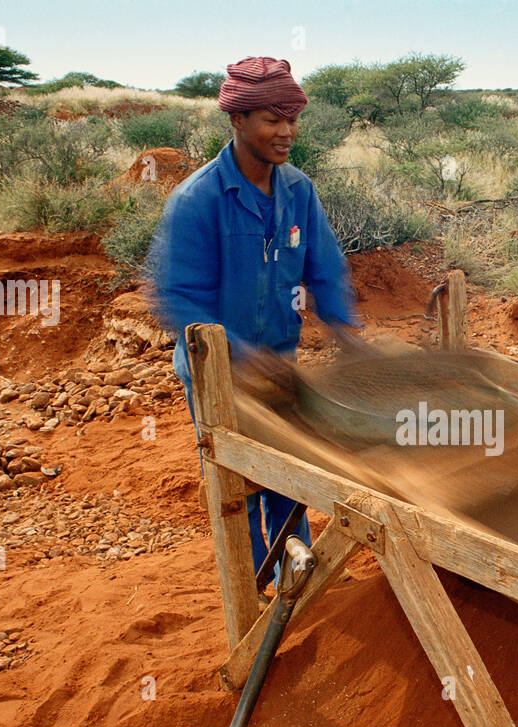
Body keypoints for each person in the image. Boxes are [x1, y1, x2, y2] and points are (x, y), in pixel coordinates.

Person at [146, 55, 363, 585]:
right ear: (237, 121)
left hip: (279, 367)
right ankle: (251, 586)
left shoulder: (297, 191)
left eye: (292, 119)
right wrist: (244, 360)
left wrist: (348, 333)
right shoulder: (198, 200)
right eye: (272, 119)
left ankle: (294, 582)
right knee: (234, 482)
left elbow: (325, 268)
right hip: (219, 378)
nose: (286, 132)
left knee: (288, 479)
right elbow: (179, 298)